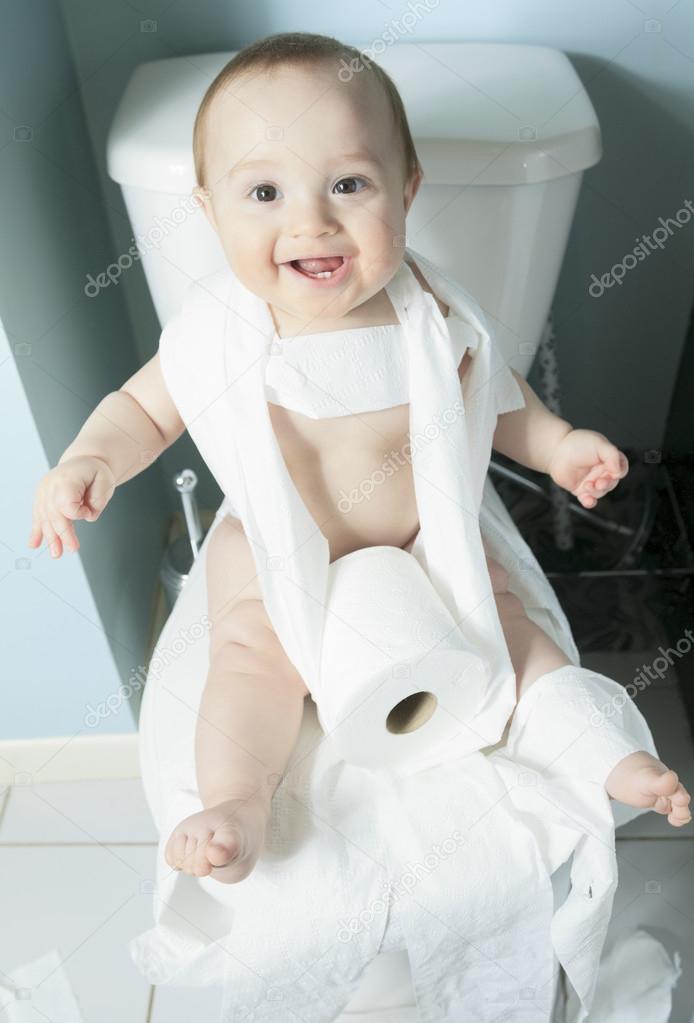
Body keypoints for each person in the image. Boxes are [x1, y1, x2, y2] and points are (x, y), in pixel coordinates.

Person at [28, 32, 690, 889]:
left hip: (421, 536)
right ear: (208, 209)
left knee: (508, 627)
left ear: (406, 189)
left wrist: (559, 446)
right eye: (264, 192)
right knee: (248, 657)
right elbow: (143, 409)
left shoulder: (430, 312)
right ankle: (237, 800)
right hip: (275, 547)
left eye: (349, 184)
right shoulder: (218, 328)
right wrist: (91, 459)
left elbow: (496, 395)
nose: (311, 220)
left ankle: (599, 753)